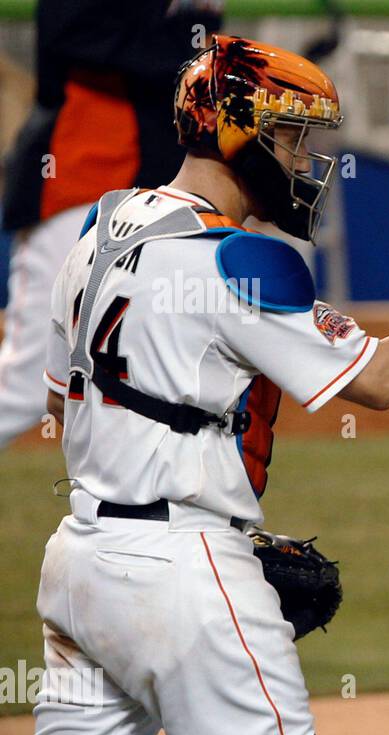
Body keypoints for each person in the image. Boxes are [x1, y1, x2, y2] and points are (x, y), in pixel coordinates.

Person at [0, 35, 389, 735]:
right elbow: (381, 376)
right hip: (179, 566)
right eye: (290, 137)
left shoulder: (100, 227)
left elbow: (55, 395)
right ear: (234, 130)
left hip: (80, 564)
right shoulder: (237, 260)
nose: (304, 159)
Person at [0, 0, 224, 450]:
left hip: (160, 196)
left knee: (154, 373)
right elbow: (68, 35)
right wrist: (189, 51)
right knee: (26, 385)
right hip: (80, 180)